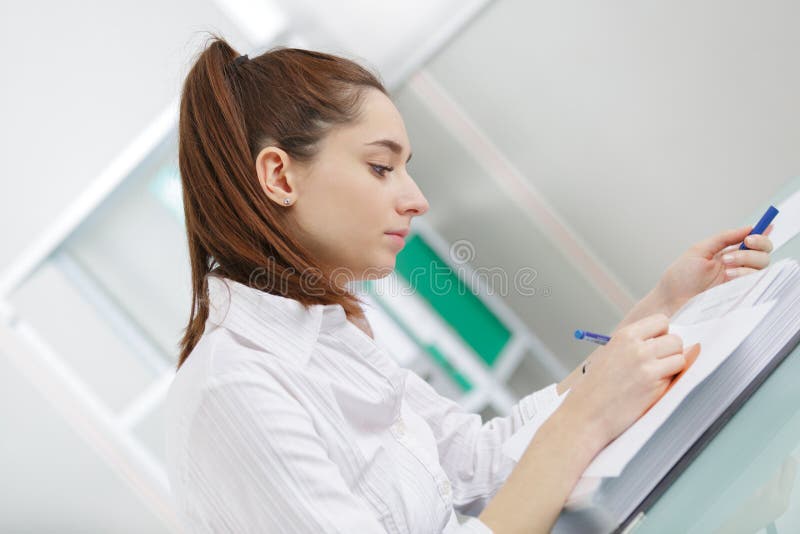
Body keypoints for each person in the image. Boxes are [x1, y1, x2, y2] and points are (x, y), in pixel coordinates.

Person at [164, 35, 774, 533]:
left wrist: (665, 304)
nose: (416, 199)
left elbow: (479, 463)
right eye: (381, 167)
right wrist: (584, 419)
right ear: (278, 176)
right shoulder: (236, 385)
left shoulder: (329, 334)